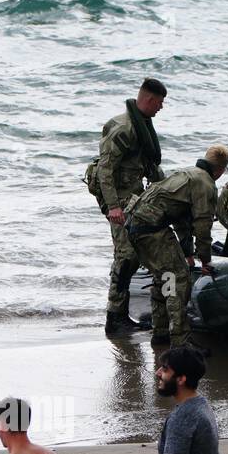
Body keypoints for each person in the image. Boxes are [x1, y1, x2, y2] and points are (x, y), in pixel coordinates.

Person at [125, 145, 228, 347]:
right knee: (177, 278)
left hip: (135, 224)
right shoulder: (206, 184)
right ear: (220, 170)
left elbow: (181, 221)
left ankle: (161, 332)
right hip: (151, 228)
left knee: (163, 276)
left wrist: (189, 253)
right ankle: (180, 341)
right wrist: (206, 261)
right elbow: (202, 227)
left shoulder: (187, 174)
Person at [95, 78, 167, 336]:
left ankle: (120, 315)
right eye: (159, 103)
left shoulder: (141, 125)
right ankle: (114, 319)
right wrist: (113, 207)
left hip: (134, 198)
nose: (161, 108)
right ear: (148, 100)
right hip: (120, 202)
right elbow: (105, 169)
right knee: (125, 257)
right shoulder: (124, 128)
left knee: (132, 256)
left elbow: (148, 165)